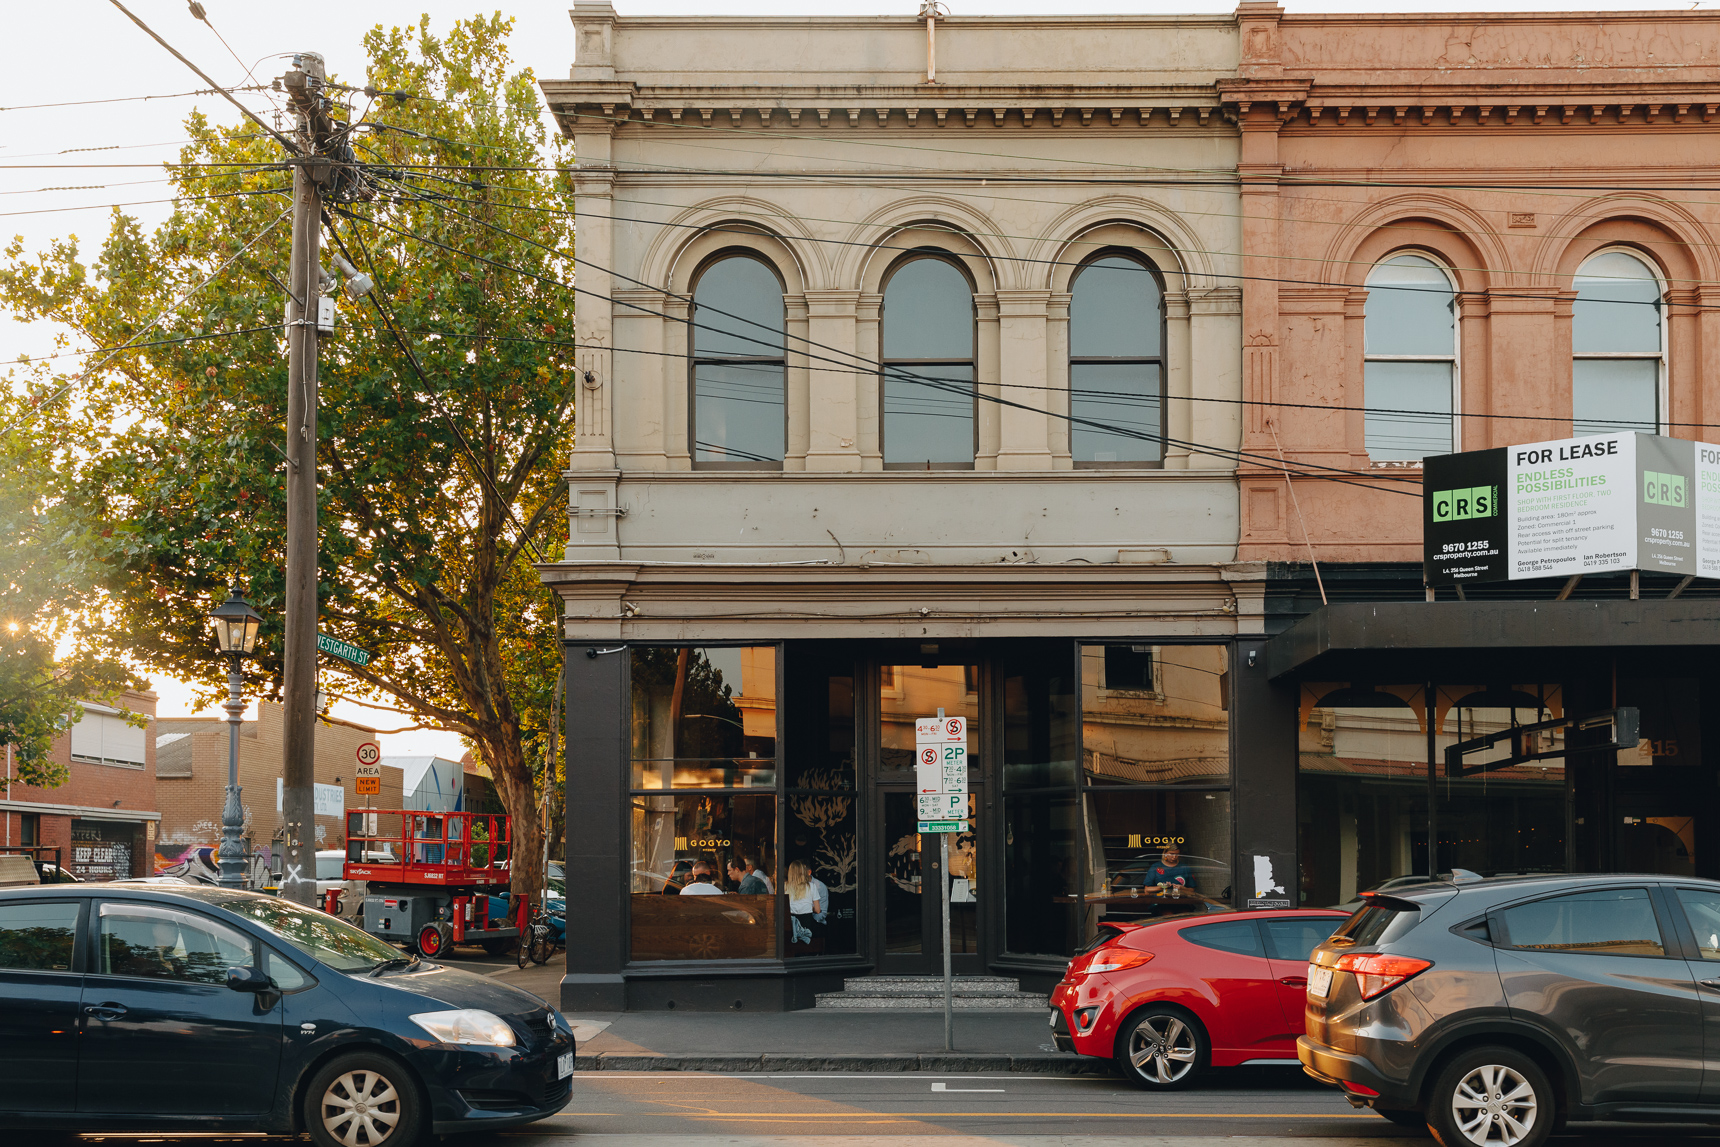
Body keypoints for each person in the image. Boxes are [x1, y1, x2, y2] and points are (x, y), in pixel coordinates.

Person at [784, 859, 825, 953]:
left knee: (792, 950)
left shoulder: (784, 887)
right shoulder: (811, 886)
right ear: (802, 872)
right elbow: (818, 910)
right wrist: (809, 907)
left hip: (790, 925)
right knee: (808, 949)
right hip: (807, 923)